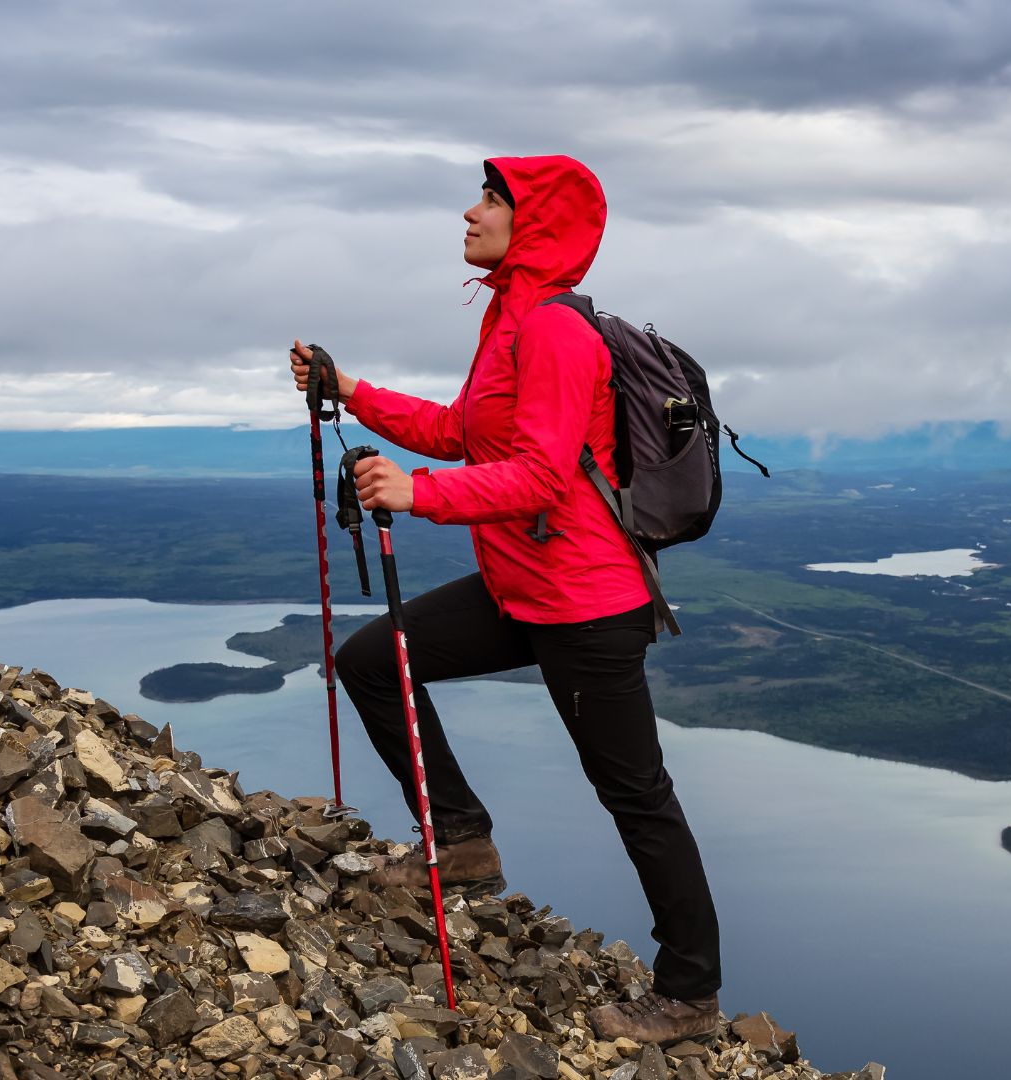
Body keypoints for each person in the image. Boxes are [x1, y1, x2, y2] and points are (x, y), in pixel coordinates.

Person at [288, 156, 722, 1044]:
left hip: (586, 604)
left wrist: (420, 497)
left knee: (636, 797)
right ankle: (461, 841)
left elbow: (539, 477)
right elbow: (460, 430)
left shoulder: (558, 332)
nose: (470, 213)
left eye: (492, 200)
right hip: (521, 588)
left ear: (540, 221)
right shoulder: (508, 317)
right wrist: (352, 392)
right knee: (373, 662)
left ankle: (688, 994)